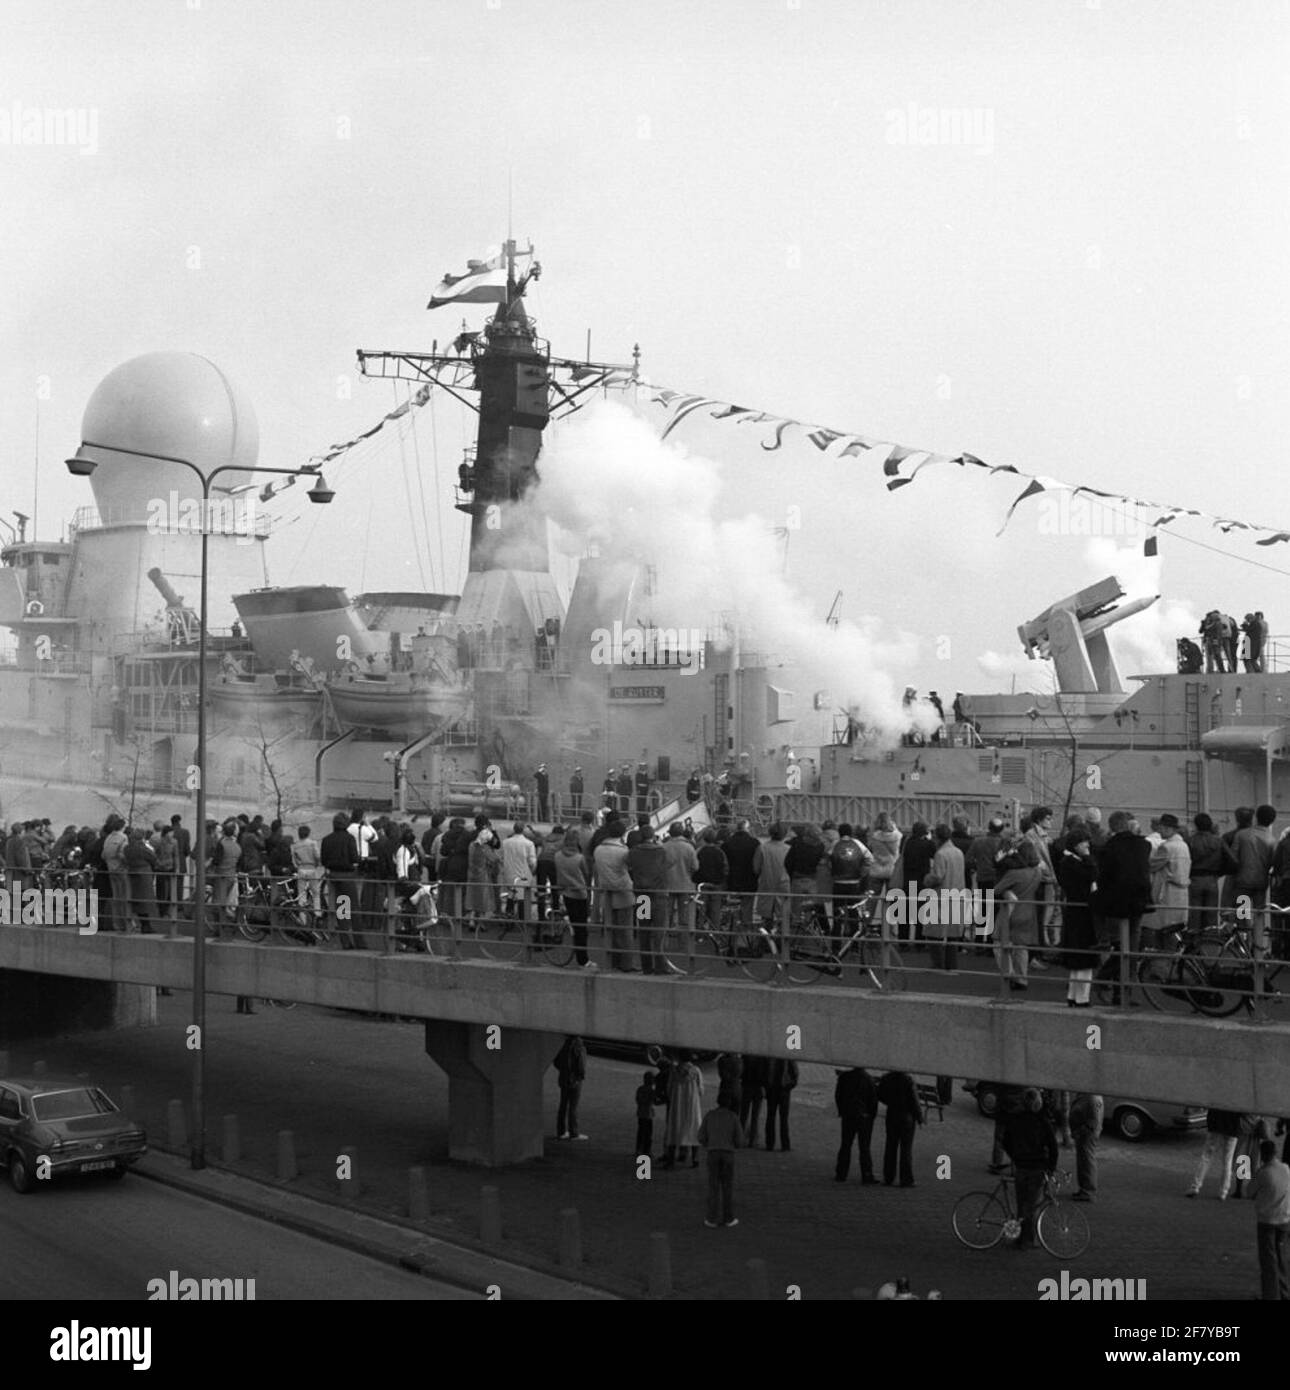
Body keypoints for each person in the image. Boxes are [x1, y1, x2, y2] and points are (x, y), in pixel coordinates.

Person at [1096, 810, 1153, 1001]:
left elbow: (1103, 877)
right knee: (1132, 945)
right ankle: (1125, 989)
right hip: (1139, 900)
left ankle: (1107, 979)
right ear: (1128, 824)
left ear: (1112, 827)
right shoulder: (1143, 845)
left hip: (1116, 903)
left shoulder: (1107, 848)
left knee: (1119, 945)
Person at [1002, 1088, 1059, 1249]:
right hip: (1037, 1168)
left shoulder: (1016, 1120)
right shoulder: (1043, 1122)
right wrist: (1051, 1168)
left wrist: (1015, 1155)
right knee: (1032, 1205)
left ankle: (1019, 1237)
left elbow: (1005, 1140)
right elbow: (1053, 1148)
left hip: (1020, 1167)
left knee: (1021, 1204)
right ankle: (1028, 1240)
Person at [992, 837, 1043, 991]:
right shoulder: (1037, 872)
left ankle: (1010, 974)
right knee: (1021, 947)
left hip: (1010, 911)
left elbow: (996, 890)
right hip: (1028, 910)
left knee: (999, 944)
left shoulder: (1014, 874)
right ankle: (1022, 978)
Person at [1056, 829, 1099, 1006]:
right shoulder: (1074, 863)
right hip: (1083, 912)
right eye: (1083, 843)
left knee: (1078, 959)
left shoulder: (1067, 862)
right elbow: (1092, 873)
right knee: (1085, 957)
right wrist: (1088, 858)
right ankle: (1082, 997)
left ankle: (1074, 996)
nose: (1087, 845)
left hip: (1075, 911)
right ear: (1076, 845)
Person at [1248, 1138, 1290, 1300]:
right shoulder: (1286, 1168)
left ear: (1263, 1155)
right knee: (1281, 1258)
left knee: (1268, 1261)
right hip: (1285, 1220)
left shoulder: (1263, 1173)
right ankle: (1284, 1292)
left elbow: (1248, 1192)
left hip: (1267, 1221)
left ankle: (1271, 1295)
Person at [627, 825, 671, 975]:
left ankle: (646, 966)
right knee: (659, 932)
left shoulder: (633, 853)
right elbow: (667, 867)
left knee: (644, 931)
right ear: (653, 836)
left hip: (642, 897)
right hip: (659, 895)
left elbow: (630, 867)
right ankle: (660, 966)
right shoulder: (661, 851)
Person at [593, 820, 637, 971]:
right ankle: (627, 964)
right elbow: (631, 866)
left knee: (611, 930)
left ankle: (612, 961)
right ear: (623, 833)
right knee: (626, 931)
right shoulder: (623, 851)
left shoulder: (598, 850)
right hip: (625, 892)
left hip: (607, 895)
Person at [699, 1091, 745, 1228]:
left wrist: (709, 1143)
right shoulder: (733, 1117)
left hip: (713, 1153)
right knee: (727, 1187)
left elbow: (701, 1137)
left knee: (713, 1187)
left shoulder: (710, 1115)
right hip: (728, 1154)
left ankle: (711, 1218)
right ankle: (728, 1218)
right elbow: (740, 1141)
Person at [923, 823, 966, 970]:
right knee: (952, 933)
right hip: (957, 893)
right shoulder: (958, 852)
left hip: (941, 896)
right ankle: (951, 964)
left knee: (933, 931)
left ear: (938, 838)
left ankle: (938, 963)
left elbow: (938, 876)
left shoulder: (941, 854)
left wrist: (927, 878)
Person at [554, 830, 596, 969]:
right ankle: (583, 959)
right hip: (580, 894)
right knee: (582, 928)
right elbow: (586, 873)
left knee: (577, 926)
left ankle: (581, 959)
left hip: (566, 893)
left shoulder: (557, 856)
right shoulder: (579, 858)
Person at [1149, 813, 1191, 941]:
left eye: (1161, 828)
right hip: (1182, 893)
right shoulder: (1184, 846)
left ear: (1168, 829)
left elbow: (1151, 865)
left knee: (1165, 929)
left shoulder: (1166, 847)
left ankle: (1165, 958)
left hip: (1168, 893)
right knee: (1178, 928)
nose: (1159, 831)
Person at [877, 1070, 923, 1187]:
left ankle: (888, 1177)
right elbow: (914, 1100)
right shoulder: (908, 1080)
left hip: (892, 1115)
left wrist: (891, 1102)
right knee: (906, 1149)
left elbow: (880, 1095)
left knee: (890, 1147)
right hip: (906, 1118)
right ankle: (906, 1179)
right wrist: (919, 1117)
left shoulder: (886, 1078)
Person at [834, 1066, 879, 1184]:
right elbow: (873, 1101)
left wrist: (842, 1111)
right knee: (864, 1147)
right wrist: (871, 1116)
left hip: (848, 1115)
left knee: (845, 1144)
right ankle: (866, 1174)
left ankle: (841, 1173)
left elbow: (838, 1095)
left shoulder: (845, 1077)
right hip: (864, 1117)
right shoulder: (868, 1079)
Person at [1187, 1108, 1243, 1198]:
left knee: (1206, 1157)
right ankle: (1223, 1191)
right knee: (1227, 1160)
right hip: (1233, 1126)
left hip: (1216, 1123)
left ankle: (1195, 1186)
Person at [663, 1053, 704, 1168]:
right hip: (692, 1105)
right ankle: (695, 1159)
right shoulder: (696, 1071)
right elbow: (701, 1090)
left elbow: (669, 1089)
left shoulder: (674, 1071)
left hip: (677, 1105)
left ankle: (671, 1160)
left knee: (674, 1129)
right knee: (693, 1129)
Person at [1188, 812, 1223, 932]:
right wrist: (1219, 873)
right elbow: (1232, 860)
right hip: (1213, 880)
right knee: (1211, 916)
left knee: (1195, 915)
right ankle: (1211, 944)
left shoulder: (1190, 841)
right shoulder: (1219, 841)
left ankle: (1193, 944)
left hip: (1195, 879)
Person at [752, 822, 791, 931]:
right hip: (784, 885)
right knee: (783, 917)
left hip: (767, 884)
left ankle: (765, 941)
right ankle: (782, 942)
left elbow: (756, 868)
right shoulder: (789, 849)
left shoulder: (762, 848)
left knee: (766, 917)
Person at [723, 817, 759, 928]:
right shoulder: (754, 843)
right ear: (747, 829)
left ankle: (732, 929)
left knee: (732, 908)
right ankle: (746, 930)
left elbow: (724, 863)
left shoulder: (727, 843)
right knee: (747, 908)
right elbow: (757, 863)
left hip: (732, 881)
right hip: (749, 881)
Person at [1068, 1091, 1103, 1202]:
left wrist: (1080, 1131)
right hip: (1084, 1133)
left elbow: (1093, 1121)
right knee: (1084, 1161)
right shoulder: (1089, 1095)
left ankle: (1088, 1191)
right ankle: (1085, 1189)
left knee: (1087, 1161)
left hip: (1086, 1134)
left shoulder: (1092, 1098)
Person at [553, 1035, 588, 1141]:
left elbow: (557, 1062)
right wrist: (580, 1076)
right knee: (573, 1106)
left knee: (563, 1105)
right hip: (575, 1079)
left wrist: (564, 1071)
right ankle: (574, 1132)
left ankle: (561, 1131)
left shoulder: (563, 1045)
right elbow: (581, 1064)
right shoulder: (579, 1046)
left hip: (564, 1077)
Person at [764, 1056, 799, 1152]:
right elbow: (795, 1073)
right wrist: (790, 1085)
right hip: (783, 1090)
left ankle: (770, 1144)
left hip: (773, 1090)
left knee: (771, 1117)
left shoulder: (770, 1057)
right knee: (783, 1119)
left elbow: (765, 1072)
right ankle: (785, 1145)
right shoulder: (788, 1057)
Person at [740, 1054, 767, 1147]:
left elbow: (741, 1071)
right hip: (758, 1088)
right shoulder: (762, 1057)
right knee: (755, 1116)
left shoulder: (746, 1056)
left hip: (746, 1086)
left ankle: (740, 1139)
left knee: (743, 1115)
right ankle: (752, 1140)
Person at [635, 1070, 657, 1159]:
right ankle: (647, 1150)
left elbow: (638, 1100)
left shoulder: (640, 1089)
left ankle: (638, 1149)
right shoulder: (651, 1090)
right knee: (648, 1133)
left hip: (641, 1113)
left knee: (640, 1132)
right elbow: (654, 1101)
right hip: (648, 1115)